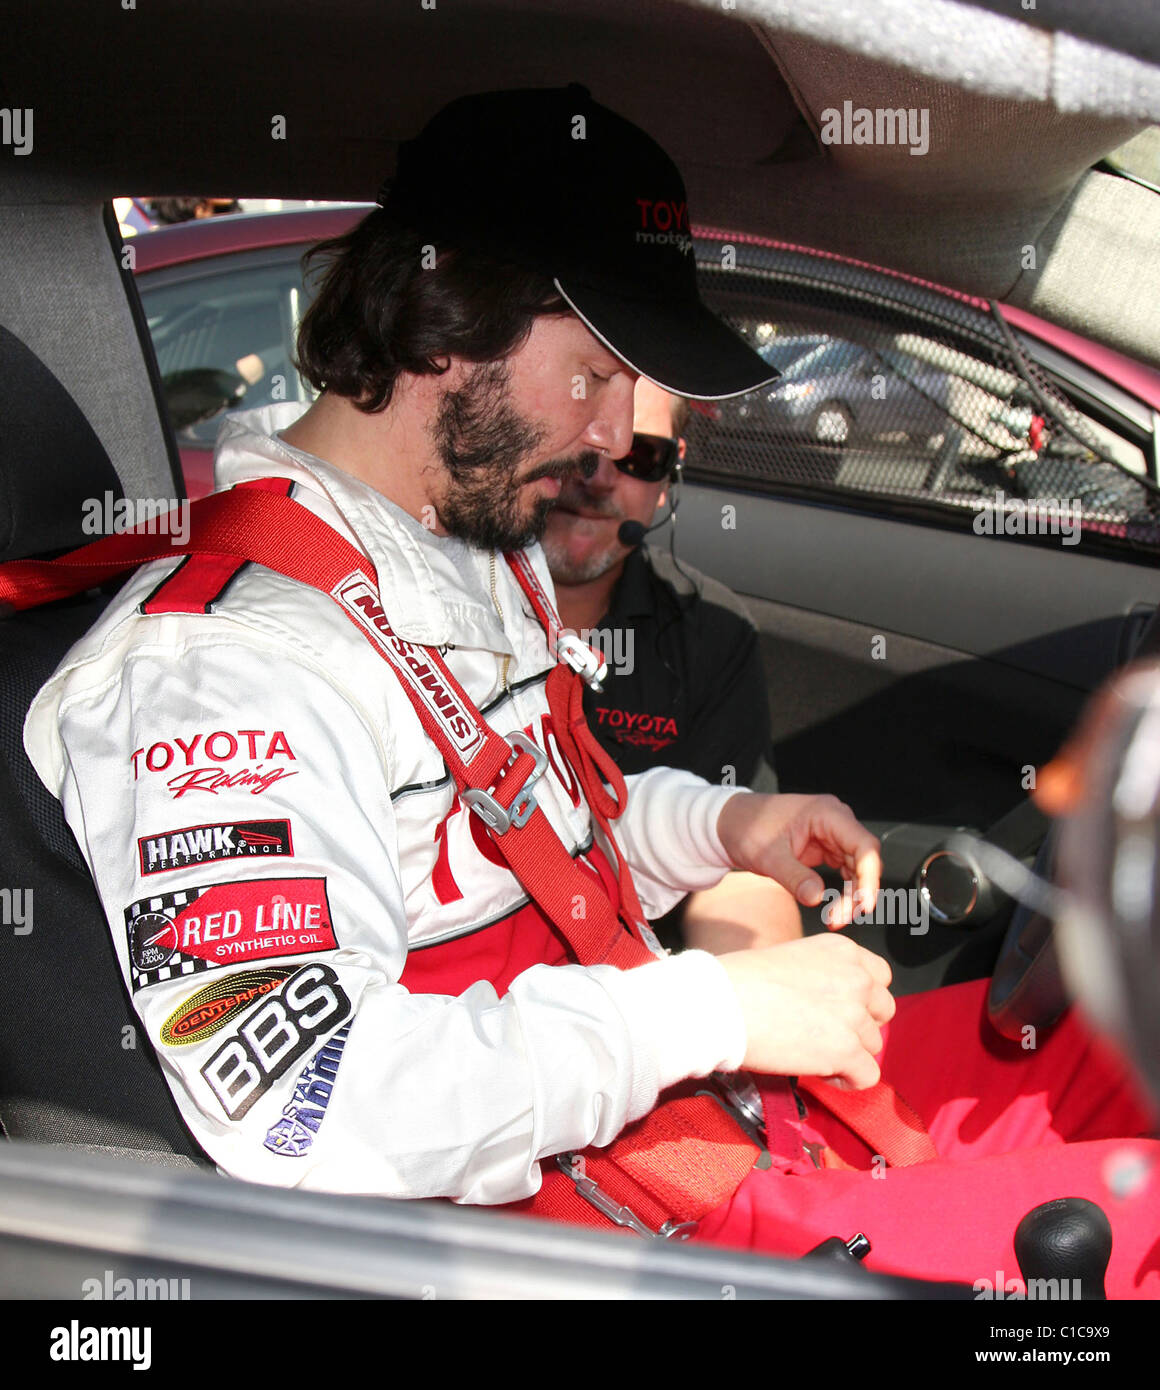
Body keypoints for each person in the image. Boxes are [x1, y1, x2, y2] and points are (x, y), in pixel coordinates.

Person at [23, 85, 1159, 1295]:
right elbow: (313, 1103)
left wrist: (719, 825)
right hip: (595, 1226)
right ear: (439, 322)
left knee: (1102, 1045)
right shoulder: (217, 672)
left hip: (679, 1113)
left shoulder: (459, 552)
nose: (616, 434)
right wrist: (713, 1009)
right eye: (597, 374)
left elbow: (531, 820)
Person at [541, 376, 803, 951]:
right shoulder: (433, 605)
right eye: (582, 440)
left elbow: (740, 867)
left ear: (669, 476)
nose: (598, 476)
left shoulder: (710, 633)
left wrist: (739, 1007)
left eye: (638, 454)